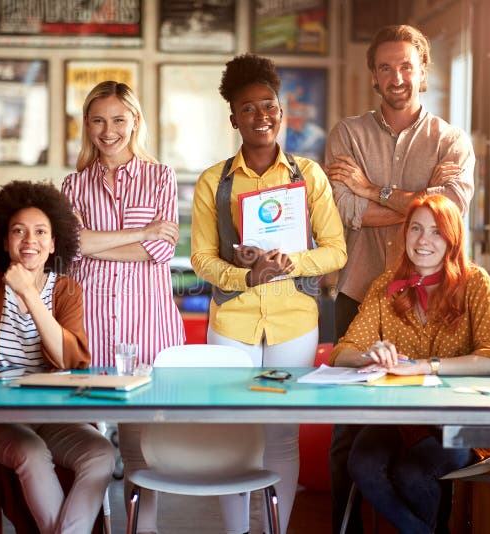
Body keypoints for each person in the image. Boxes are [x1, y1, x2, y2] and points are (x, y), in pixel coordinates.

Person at [325, 24, 476, 532]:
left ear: (424, 71)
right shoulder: (347, 134)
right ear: (373, 74)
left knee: (437, 422)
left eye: (406, 65)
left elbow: (448, 208)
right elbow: (344, 210)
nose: (397, 76)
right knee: (348, 428)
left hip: (436, 296)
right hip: (358, 291)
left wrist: (373, 189)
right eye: (386, 67)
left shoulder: (451, 140)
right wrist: (414, 203)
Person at [191, 53, 347, 534]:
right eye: (248, 108)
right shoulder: (214, 181)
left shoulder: (308, 176)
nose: (262, 116)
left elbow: (336, 250)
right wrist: (244, 274)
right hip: (233, 321)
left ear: (281, 112)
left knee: (281, 433)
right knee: (233, 434)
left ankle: (276, 529)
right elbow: (202, 259)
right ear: (233, 117)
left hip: (293, 322)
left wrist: (290, 262)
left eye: (269, 106)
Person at [330, 194, 490, 533]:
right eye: (416, 229)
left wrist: (426, 366)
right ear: (405, 235)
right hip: (397, 420)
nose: (423, 240)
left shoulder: (475, 283)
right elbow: (342, 352)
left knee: (413, 472)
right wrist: (372, 355)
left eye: (436, 231)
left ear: (452, 239)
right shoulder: (386, 286)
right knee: (361, 464)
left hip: (457, 421)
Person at [0, 180, 115, 534]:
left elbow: (71, 359)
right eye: (18, 231)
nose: (29, 240)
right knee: (31, 452)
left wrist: (29, 294)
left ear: (53, 243)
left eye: (40, 232)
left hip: (52, 414)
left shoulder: (65, 290)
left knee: (102, 455)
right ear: (4, 241)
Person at [62, 81, 185, 533]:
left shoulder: (161, 177)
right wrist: (139, 233)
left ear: (135, 122)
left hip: (145, 327)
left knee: (139, 445)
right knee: (88, 444)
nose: (108, 130)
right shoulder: (72, 184)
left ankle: (142, 529)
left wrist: (95, 243)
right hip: (88, 325)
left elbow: (159, 253)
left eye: (118, 119)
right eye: (98, 120)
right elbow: (73, 246)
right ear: (87, 126)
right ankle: (95, 526)